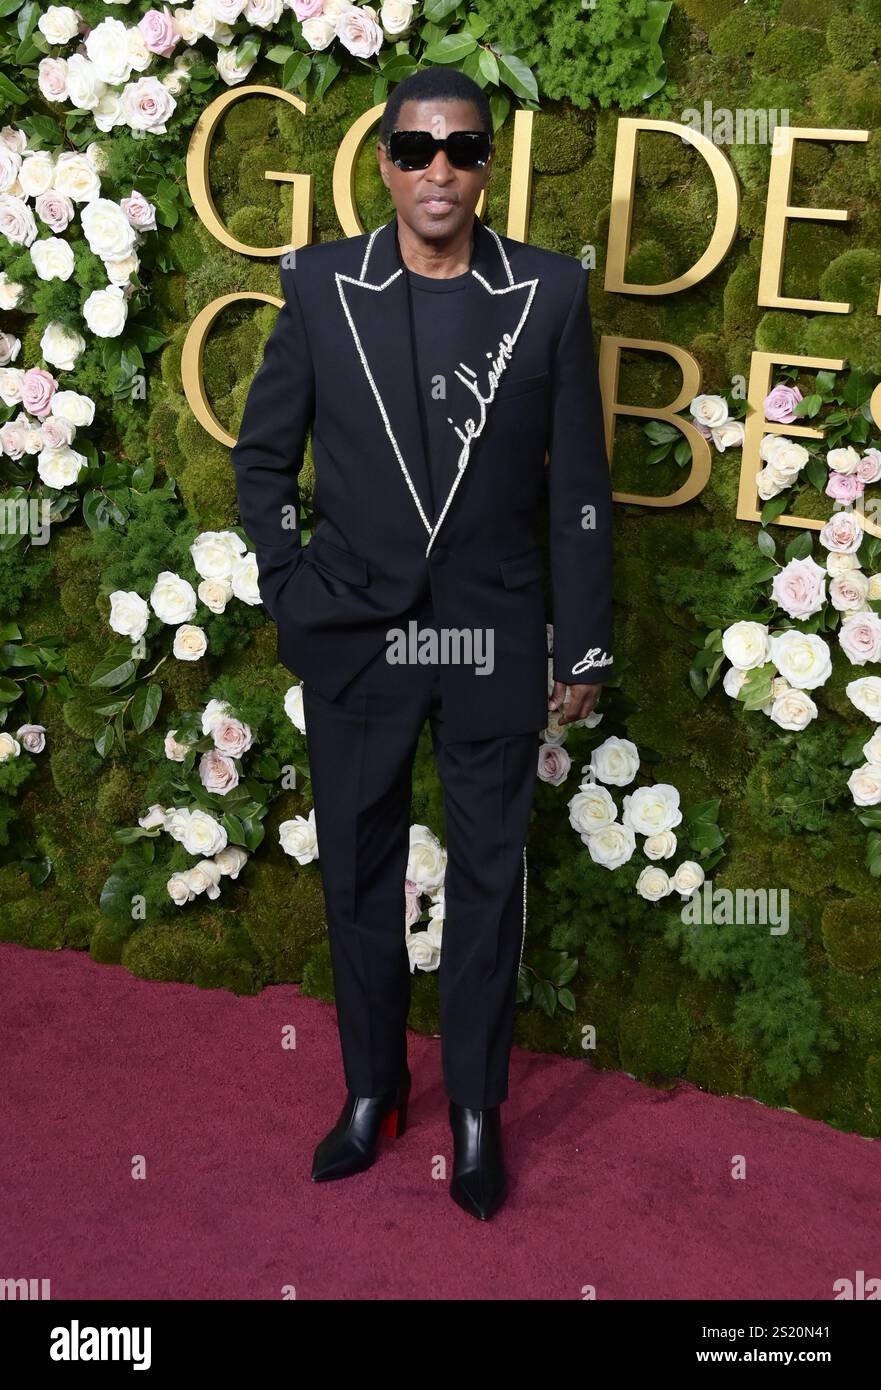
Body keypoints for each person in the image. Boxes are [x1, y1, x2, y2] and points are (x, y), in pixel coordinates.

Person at [231, 66, 614, 1221]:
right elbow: (261, 464)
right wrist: (294, 589)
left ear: (488, 161)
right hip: (354, 631)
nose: (436, 169)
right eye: (413, 149)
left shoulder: (544, 293)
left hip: (491, 631)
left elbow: (580, 492)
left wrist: (581, 647)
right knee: (357, 868)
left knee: (491, 877)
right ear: (383, 162)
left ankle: (475, 1109)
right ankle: (372, 1090)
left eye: (459, 149)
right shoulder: (315, 284)